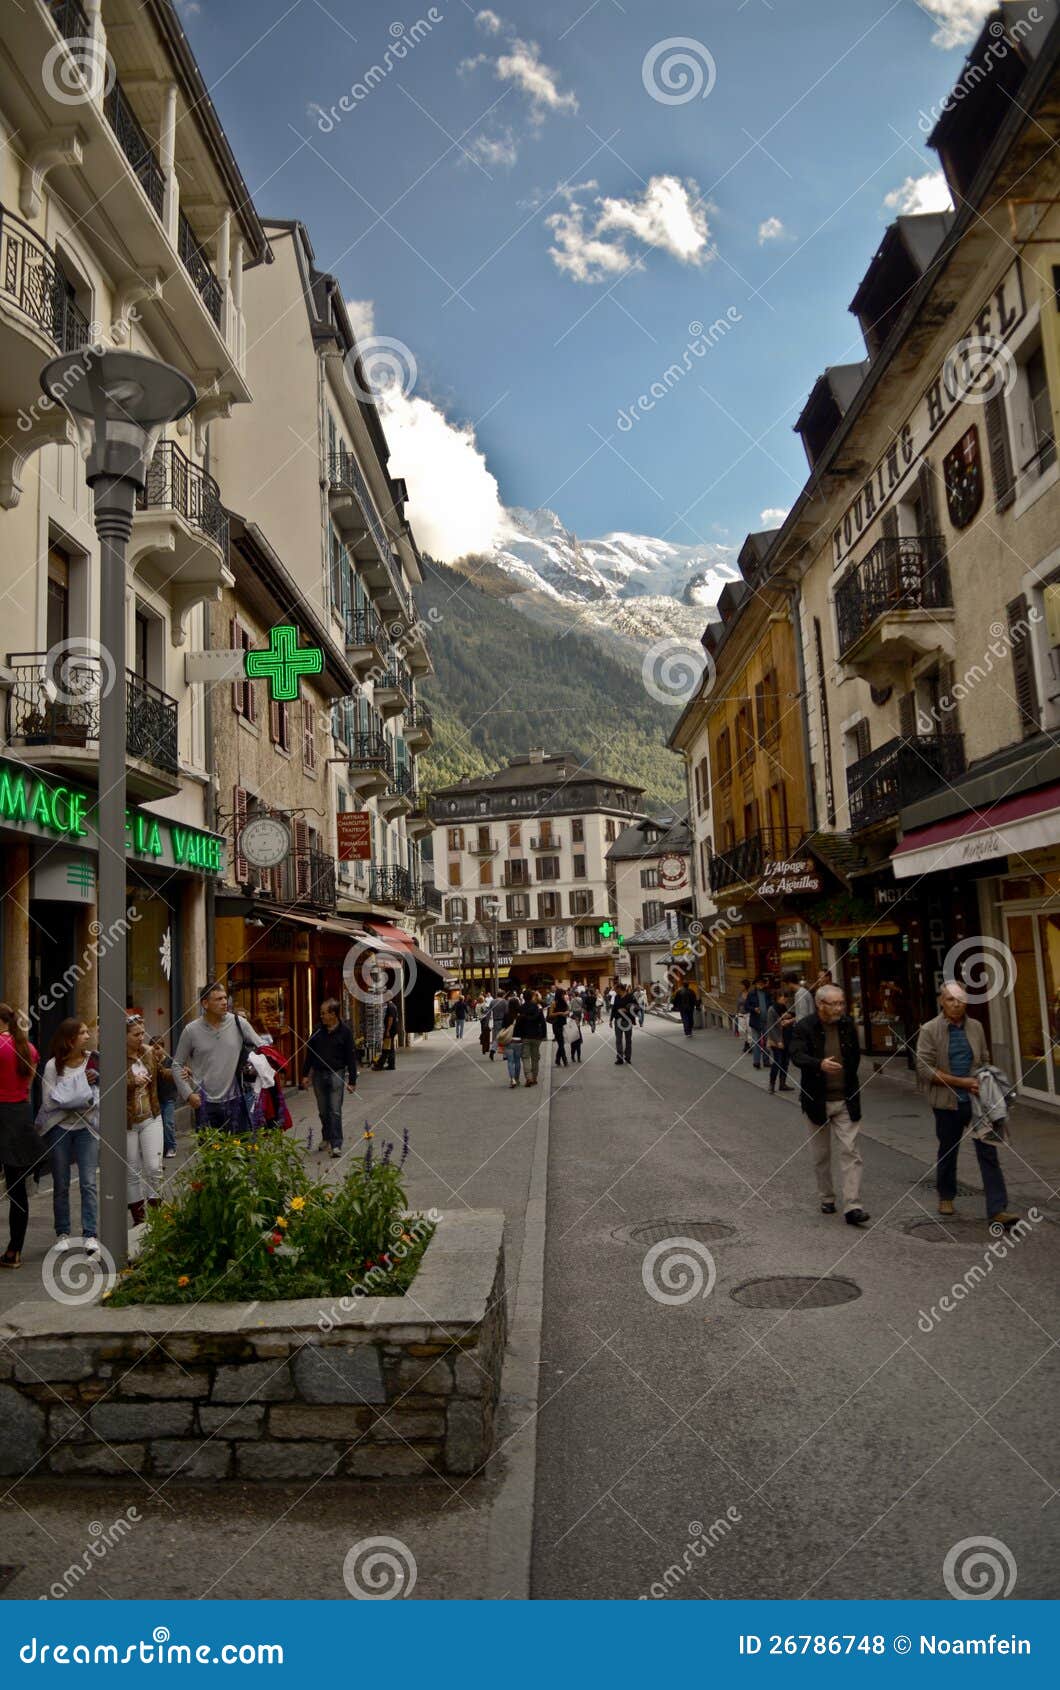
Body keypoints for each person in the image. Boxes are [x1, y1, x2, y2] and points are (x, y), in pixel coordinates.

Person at [915, 982, 1019, 1226]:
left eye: (960, 999)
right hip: (948, 1102)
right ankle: (946, 1195)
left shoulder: (976, 1027)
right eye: (950, 999)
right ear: (942, 1001)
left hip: (977, 1102)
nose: (956, 1004)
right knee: (948, 1150)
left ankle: (997, 1208)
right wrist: (962, 1082)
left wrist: (983, 1080)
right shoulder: (930, 1030)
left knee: (988, 1152)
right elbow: (924, 1069)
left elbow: (983, 1057)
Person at [790, 984, 869, 1226]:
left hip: (845, 1099)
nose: (839, 1008)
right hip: (817, 1101)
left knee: (851, 1152)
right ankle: (826, 1197)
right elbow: (796, 1055)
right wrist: (819, 1065)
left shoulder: (847, 1025)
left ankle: (853, 1206)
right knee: (821, 1154)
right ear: (820, 1005)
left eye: (841, 1003)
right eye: (833, 1004)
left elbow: (854, 1057)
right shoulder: (804, 1027)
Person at [35, 1018, 99, 1252]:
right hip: (59, 1129)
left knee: (88, 1183)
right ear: (70, 1039)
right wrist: (81, 1085)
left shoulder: (94, 1060)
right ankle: (62, 1232)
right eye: (82, 1032)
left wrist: (70, 1096)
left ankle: (90, 1233)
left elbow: (95, 1099)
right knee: (60, 1183)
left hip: (87, 1128)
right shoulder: (53, 1066)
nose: (87, 1036)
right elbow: (49, 1102)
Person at [175, 982, 266, 1138]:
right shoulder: (191, 1030)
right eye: (218, 999)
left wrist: (258, 1066)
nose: (224, 1002)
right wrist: (189, 1095)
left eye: (225, 998)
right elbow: (177, 1064)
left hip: (235, 1100)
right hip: (204, 1104)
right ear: (205, 1003)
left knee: (239, 1156)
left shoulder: (239, 1023)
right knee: (211, 1155)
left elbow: (263, 1048)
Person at [0, 1004, 42, 1269]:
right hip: (20, 1116)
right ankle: (15, 1251)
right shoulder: (28, 1048)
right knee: (17, 1191)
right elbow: (27, 1086)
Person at [301, 998, 357, 1156]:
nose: (321, 1016)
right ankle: (326, 1137)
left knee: (335, 1110)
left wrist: (352, 1081)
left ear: (333, 1014)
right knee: (323, 1111)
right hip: (319, 1074)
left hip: (336, 1074)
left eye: (324, 1013)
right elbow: (309, 1054)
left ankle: (336, 1144)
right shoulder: (318, 1030)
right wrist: (305, 1075)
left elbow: (351, 1057)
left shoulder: (345, 1032)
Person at [125, 1016, 163, 1227]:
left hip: (151, 1116)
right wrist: (132, 1082)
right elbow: (108, 1086)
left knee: (154, 1167)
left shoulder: (148, 1053)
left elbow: (162, 1073)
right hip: (128, 1122)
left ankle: (157, 1220)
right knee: (131, 1171)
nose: (141, 1037)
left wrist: (179, 1073)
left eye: (142, 1033)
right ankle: (139, 1222)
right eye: (136, 1034)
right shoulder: (114, 1057)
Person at [151, 1034, 179, 1159]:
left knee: (168, 1123)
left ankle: (171, 1147)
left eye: (158, 1048)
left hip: (168, 1097)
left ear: (163, 1048)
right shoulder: (149, 1062)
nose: (156, 1051)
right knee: (158, 1125)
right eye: (154, 1048)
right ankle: (162, 1148)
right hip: (156, 1098)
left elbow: (175, 1076)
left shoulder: (170, 1061)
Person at [765, 987, 795, 1094]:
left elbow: (788, 1019)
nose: (785, 999)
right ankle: (771, 1084)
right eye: (784, 997)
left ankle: (782, 1084)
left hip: (786, 1038)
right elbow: (771, 1027)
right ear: (778, 997)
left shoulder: (783, 1007)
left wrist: (789, 1017)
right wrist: (778, 1041)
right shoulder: (771, 1010)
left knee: (785, 1062)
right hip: (776, 1040)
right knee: (777, 1062)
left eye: (786, 997)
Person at [514, 989, 546, 1086]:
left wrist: (517, 1035)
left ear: (523, 997)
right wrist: (543, 1035)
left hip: (525, 1036)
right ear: (532, 997)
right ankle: (535, 1078)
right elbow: (542, 1022)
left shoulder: (521, 1008)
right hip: (536, 1036)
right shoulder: (537, 1008)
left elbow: (518, 1023)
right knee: (535, 1058)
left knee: (525, 1057)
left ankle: (529, 1078)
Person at [746, 977, 772, 1070]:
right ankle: (756, 1062)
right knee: (756, 1042)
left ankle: (766, 1061)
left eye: (762, 983)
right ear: (755, 984)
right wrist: (754, 1009)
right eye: (758, 983)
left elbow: (771, 1004)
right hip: (755, 1022)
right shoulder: (751, 994)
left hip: (766, 1021)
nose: (760, 985)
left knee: (766, 1042)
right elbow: (746, 1006)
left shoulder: (767, 993)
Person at [611, 982, 639, 1066]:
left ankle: (628, 1057)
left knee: (628, 1040)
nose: (614, 990)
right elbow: (614, 1008)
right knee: (618, 1040)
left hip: (627, 1021)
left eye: (615, 989)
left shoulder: (630, 997)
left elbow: (637, 1007)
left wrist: (627, 1010)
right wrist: (610, 1019)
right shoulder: (616, 997)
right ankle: (619, 1058)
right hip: (618, 1021)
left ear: (620, 988)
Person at [550, 988, 569, 1067]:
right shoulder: (554, 1003)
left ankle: (557, 1059)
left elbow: (568, 1010)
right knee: (561, 1043)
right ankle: (564, 1060)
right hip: (556, 1025)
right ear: (559, 995)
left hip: (563, 1024)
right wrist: (560, 1013)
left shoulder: (564, 1002)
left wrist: (567, 1012)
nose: (563, 996)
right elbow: (550, 1014)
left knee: (561, 1043)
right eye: (562, 994)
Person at [489, 991, 508, 1061]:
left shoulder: (492, 1002)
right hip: (503, 1020)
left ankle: (493, 1049)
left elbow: (489, 1012)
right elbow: (507, 1013)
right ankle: (505, 1055)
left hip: (495, 1021)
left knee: (497, 1037)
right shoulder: (505, 1002)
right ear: (503, 995)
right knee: (504, 1037)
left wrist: (487, 1023)